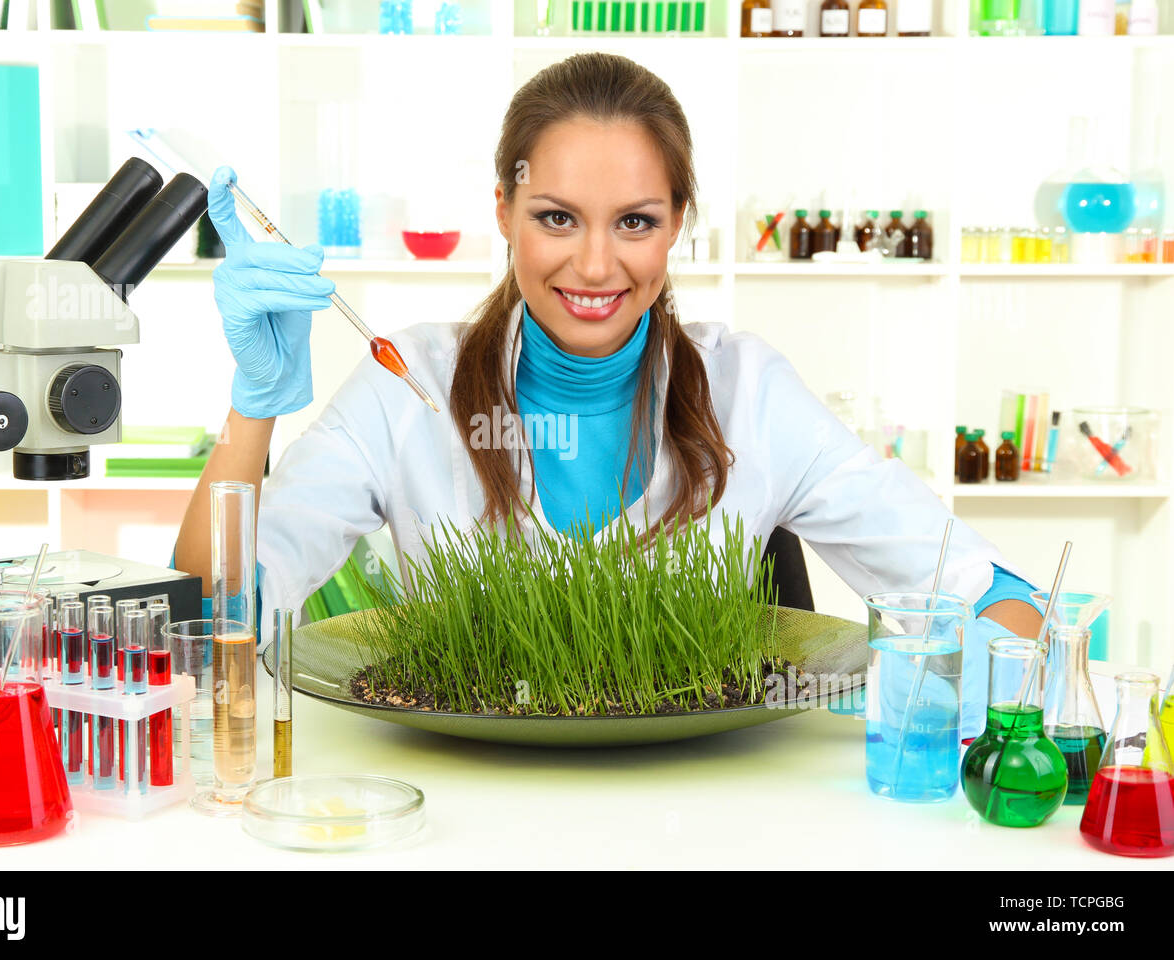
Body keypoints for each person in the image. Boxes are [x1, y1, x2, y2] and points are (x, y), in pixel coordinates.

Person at [173, 52, 1040, 736]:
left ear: (677, 225)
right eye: (556, 217)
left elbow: (996, 598)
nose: (594, 265)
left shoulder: (751, 393)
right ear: (504, 209)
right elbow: (212, 621)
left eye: (635, 221)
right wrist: (255, 403)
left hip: (703, 815)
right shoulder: (413, 386)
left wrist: (929, 692)